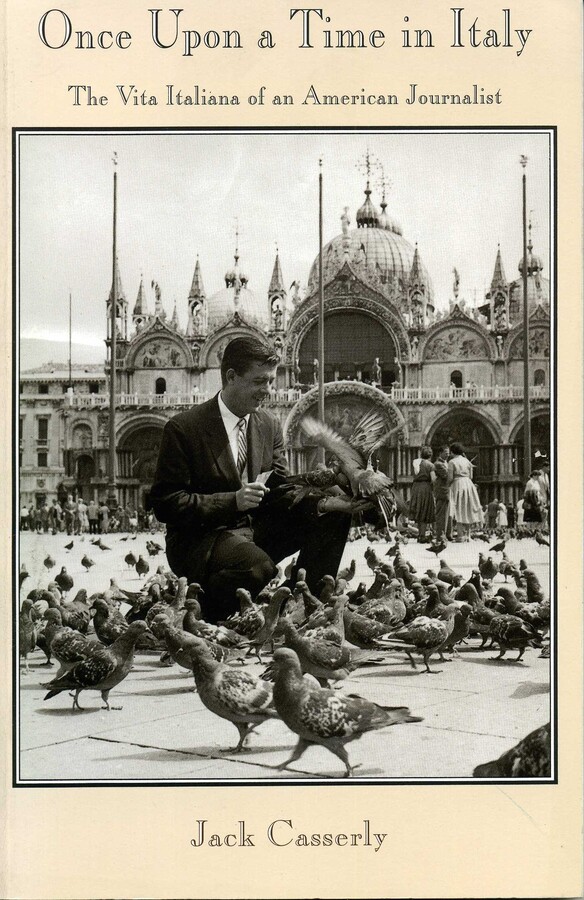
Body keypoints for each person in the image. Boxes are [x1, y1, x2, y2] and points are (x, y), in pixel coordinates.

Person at [150, 336, 367, 623]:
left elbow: (279, 489)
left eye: (270, 381)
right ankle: (198, 612)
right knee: (259, 568)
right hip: (203, 539)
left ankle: (305, 607)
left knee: (331, 516)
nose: (267, 390)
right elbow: (165, 503)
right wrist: (233, 500)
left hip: (253, 530)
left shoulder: (268, 424)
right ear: (231, 377)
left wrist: (328, 504)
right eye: (259, 381)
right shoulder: (185, 428)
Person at [447, 442, 484, 541]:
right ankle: (468, 535)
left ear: (452, 451)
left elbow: (450, 477)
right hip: (468, 484)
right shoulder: (467, 461)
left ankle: (460, 535)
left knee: (458, 509)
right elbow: (471, 476)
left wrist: (447, 485)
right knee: (467, 508)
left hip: (457, 484)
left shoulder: (452, 462)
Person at [409, 446, 435, 542]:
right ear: (430, 455)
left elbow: (413, 474)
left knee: (419, 510)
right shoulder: (430, 465)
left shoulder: (416, 463)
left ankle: (420, 534)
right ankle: (422, 536)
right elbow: (433, 479)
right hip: (425, 487)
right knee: (424, 510)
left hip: (416, 487)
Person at [433, 445, 452, 542]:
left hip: (447, 491)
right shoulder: (438, 464)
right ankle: (440, 535)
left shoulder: (446, 463)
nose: (448, 455)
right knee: (442, 514)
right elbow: (446, 475)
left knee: (448, 514)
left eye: (449, 453)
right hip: (442, 491)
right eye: (446, 453)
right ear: (440, 453)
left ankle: (448, 534)